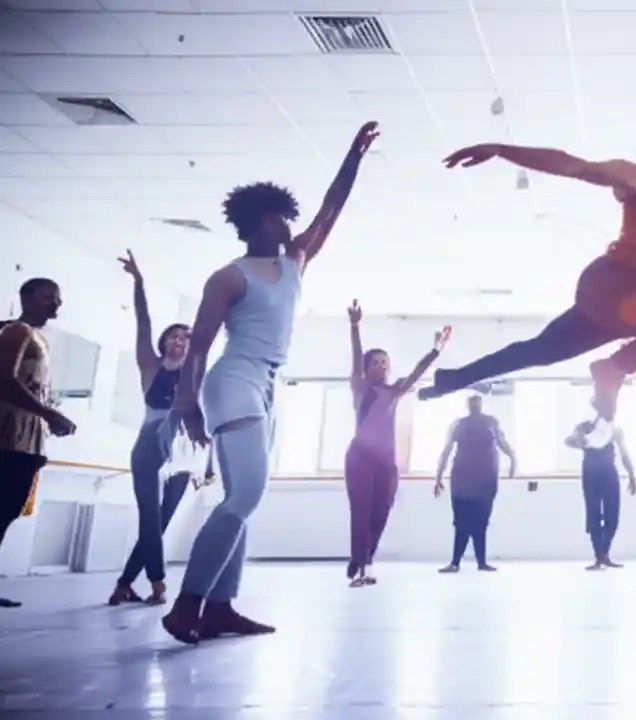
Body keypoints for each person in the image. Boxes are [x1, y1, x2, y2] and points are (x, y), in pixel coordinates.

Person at [421, 54, 636, 421]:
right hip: (616, 284)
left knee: (542, 350)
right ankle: (616, 367)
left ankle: (451, 380)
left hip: (627, 304)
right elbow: (573, 165)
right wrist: (500, 150)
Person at [162, 121, 379, 644]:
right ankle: (186, 606)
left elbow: (331, 209)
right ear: (266, 219)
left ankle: (219, 608)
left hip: (266, 386)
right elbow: (201, 343)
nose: (293, 222)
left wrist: (353, 156)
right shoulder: (229, 276)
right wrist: (188, 403)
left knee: (242, 498)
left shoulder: (295, 260)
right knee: (246, 496)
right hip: (233, 381)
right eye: (285, 215)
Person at [108, 251, 194, 606]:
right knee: (149, 516)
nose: (180, 341)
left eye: (187, 338)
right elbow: (142, 322)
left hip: (185, 451)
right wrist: (140, 283)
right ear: (164, 343)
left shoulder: (195, 376)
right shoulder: (150, 364)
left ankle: (124, 584)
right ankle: (157, 583)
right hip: (150, 444)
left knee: (159, 524)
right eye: (175, 336)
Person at [344, 299, 449, 587]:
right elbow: (356, 357)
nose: (381, 366)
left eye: (384, 362)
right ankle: (363, 565)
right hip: (360, 458)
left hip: (386, 461)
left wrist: (436, 349)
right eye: (375, 362)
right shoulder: (361, 387)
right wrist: (355, 327)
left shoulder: (394, 391)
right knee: (361, 511)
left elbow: (417, 371)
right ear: (367, 368)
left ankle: (365, 557)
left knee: (381, 511)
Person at [0, 278, 77, 609]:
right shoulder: (17, 332)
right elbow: (3, 379)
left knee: (6, 512)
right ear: (27, 297)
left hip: (26, 441)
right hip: (7, 439)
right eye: (48, 297)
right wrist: (49, 414)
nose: (55, 304)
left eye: (58, 299)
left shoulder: (39, 339)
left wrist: (48, 417)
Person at [435, 394, 516, 573]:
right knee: (461, 521)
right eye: (472, 403)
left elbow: (503, 443)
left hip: (486, 480)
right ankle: (455, 562)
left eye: (478, 403)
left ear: (481, 405)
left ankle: (481, 562)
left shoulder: (491, 422)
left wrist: (513, 459)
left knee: (482, 521)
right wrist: (438, 477)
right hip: (462, 480)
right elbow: (446, 450)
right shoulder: (459, 425)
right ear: (468, 406)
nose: (475, 406)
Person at [565, 404, 636, 570]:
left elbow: (624, 453)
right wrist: (580, 440)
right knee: (594, 514)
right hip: (591, 472)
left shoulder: (615, 430)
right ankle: (599, 556)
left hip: (609, 472)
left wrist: (632, 474)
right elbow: (568, 441)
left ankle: (604, 553)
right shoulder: (584, 427)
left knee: (613, 515)